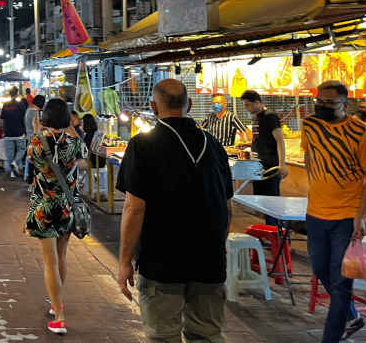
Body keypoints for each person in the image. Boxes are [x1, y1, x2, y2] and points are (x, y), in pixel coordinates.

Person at [116, 79, 233, 343]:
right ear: (189, 105)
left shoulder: (142, 145)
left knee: (163, 336)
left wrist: (124, 262)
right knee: (207, 335)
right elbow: (227, 208)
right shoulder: (214, 145)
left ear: (152, 107)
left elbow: (134, 208)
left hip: (162, 262)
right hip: (209, 262)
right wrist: (216, 245)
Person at [302, 81, 366, 342]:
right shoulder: (310, 126)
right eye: (319, 101)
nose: (322, 107)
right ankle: (352, 317)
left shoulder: (362, 131)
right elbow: (309, 157)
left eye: (329, 103)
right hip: (315, 213)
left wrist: (361, 214)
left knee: (340, 280)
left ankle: (331, 337)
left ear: (345, 103)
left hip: (346, 216)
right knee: (321, 269)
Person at [24, 98, 88, 335]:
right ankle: (55, 302)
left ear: (45, 117)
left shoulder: (37, 141)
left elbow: (34, 162)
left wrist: (35, 131)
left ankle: (59, 317)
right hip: (67, 206)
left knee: (49, 261)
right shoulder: (74, 142)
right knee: (61, 256)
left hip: (44, 205)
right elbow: (84, 164)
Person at [240, 90, 287, 225]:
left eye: (248, 105)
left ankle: (279, 235)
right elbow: (260, 140)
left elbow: (280, 140)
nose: (246, 108)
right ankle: (269, 233)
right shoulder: (257, 117)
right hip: (258, 166)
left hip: (270, 166)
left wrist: (282, 164)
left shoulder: (270, 116)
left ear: (257, 102)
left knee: (272, 203)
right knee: (263, 203)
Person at [1, 87, 28, 179]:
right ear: (17, 94)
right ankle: (16, 162)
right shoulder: (21, 105)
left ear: (10, 93)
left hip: (8, 132)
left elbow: (2, 120)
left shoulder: (5, 105)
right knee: (22, 149)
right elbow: (24, 119)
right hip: (19, 132)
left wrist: (3, 130)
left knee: (10, 153)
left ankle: (13, 173)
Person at [24, 95, 45, 182]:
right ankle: (30, 179)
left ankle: (27, 177)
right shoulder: (35, 112)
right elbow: (40, 127)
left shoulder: (28, 110)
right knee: (33, 160)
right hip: (34, 138)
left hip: (29, 137)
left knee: (29, 158)